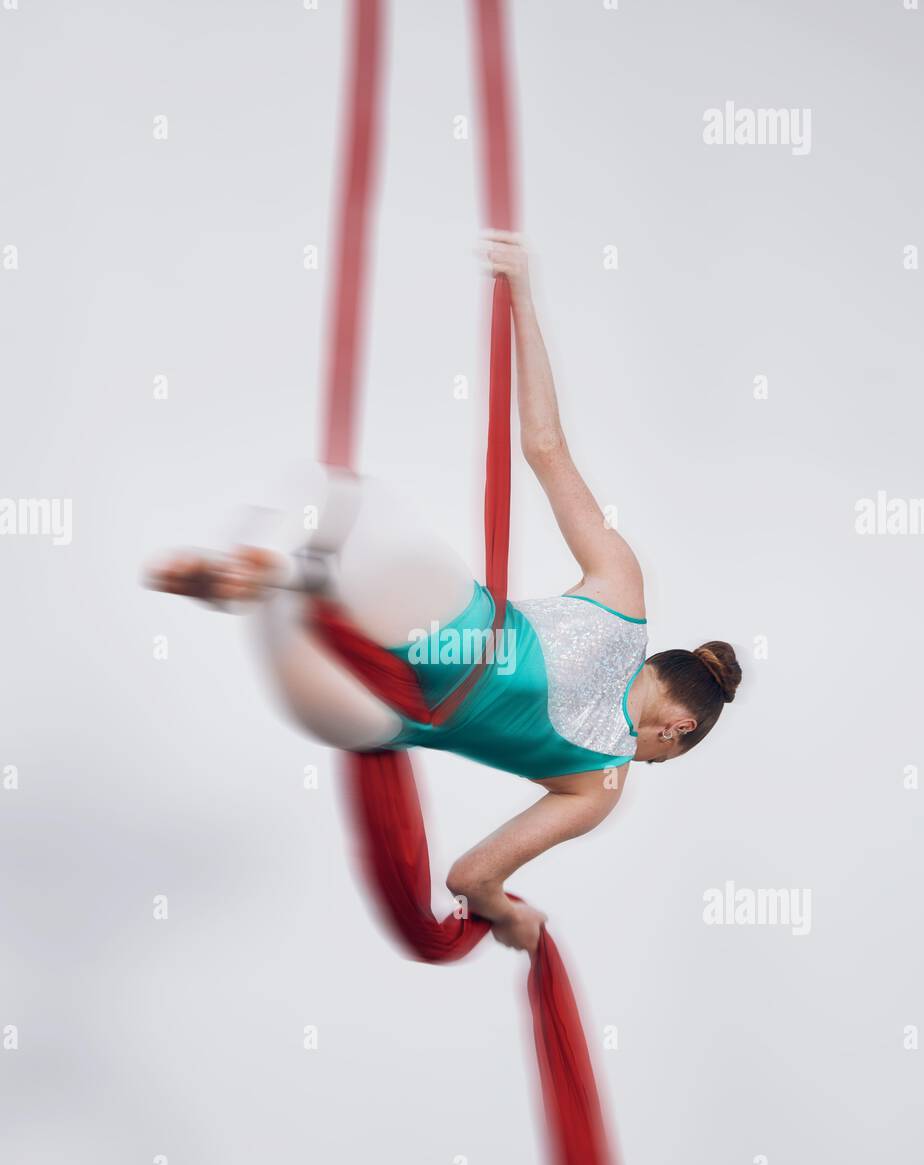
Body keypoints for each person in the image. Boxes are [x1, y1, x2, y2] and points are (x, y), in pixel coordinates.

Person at [148, 232, 742, 954]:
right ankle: (271, 586)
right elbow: (469, 876)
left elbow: (545, 446)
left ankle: (269, 569)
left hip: (435, 614)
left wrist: (522, 291)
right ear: (677, 731)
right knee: (303, 587)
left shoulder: (622, 589)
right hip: (372, 708)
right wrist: (510, 914)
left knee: (331, 500)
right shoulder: (599, 788)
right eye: (660, 760)